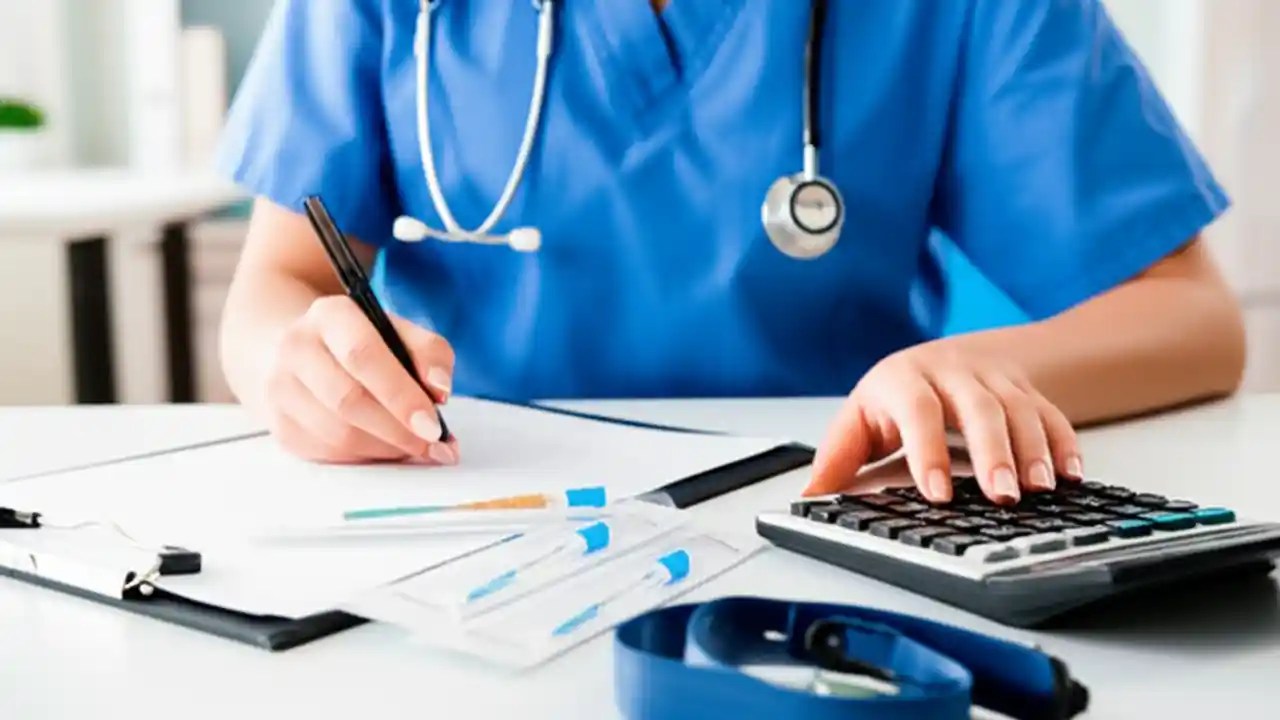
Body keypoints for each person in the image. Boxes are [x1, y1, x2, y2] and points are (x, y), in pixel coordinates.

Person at [216, 0, 1245, 506]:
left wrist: (982, 366)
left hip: (835, 509)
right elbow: (284, 279)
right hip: (471, 508)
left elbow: (1190, 316)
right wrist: (291, 367)